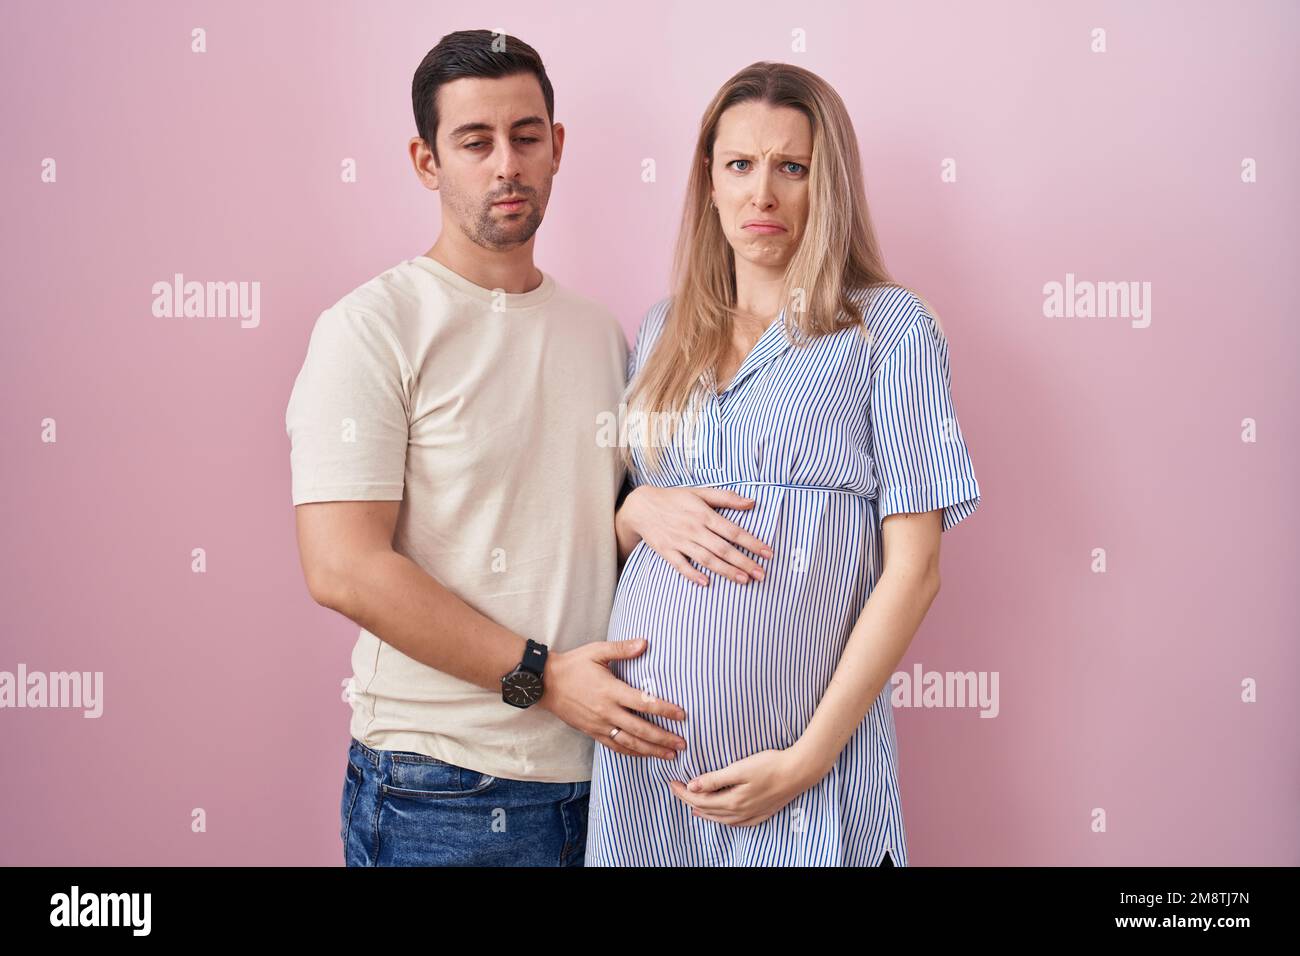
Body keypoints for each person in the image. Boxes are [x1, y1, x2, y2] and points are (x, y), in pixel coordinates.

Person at [284, 29, 687, 867]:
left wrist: (636, 508)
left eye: (526, 136)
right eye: (475, 141)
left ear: (556, 148)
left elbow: (574, 534)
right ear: (426, 161)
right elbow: (342, 567)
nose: (506, 164)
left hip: (601, 782)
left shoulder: (599, 332)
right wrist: (541, 677)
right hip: (441, 786)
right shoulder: (370, 329)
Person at [585, 61, 983, 866]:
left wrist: (807, 760)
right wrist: (633, 512)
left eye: (790, 167)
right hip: (641, 781)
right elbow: (618, 522)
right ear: (710, 180)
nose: (761, 193)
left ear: (825, 182)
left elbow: (915, 573)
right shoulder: (662, 329)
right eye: (739, 165)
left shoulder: (889, 331)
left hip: (803, 782)